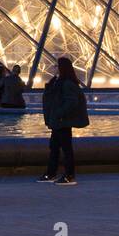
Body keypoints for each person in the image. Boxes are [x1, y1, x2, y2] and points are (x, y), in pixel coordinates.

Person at [39, 57, 89, 185]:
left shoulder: (67, 83)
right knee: (54, 147)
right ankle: (51, 173)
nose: (54, 68)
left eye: (56, 66)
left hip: (63, 121)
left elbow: (72, 102)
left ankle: (69, 175)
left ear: (62, 68)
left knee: (66, 149)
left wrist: (58, 113)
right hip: (58, 121)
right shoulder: (59, 81)